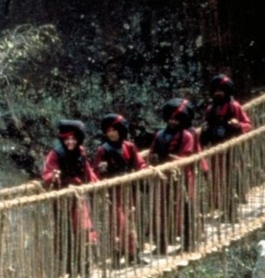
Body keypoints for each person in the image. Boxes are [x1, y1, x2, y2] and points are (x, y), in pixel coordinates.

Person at [41, 119, 99, 278]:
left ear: (78, 139)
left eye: (73, 138)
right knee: (66, 235)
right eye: (66, 139)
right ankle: (72, 272)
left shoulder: (80, 151)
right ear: (62, 140)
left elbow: (87, 170)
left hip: (79, 199)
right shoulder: (56, 154)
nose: (70, 142)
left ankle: (86, 270)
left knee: (84, 232)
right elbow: (47, 173)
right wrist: (53, 176)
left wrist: (97, 184)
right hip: (63, 200)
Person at [92, 113, 148, 266]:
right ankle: (126, 253)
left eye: (114, 130)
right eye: (109, 131)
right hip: (113, 191)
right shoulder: (103, 150)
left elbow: (140, 163)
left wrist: (144, 171)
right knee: (120, 223)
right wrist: (101, 171)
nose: (111, 133)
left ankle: (128, 254)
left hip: (129, 189)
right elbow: (94, 172)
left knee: (130, 220)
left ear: (120, 130)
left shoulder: (129, 146)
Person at [148, 98, 200, 254]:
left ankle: (188, 242)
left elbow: (188, 155)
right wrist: (153, 159)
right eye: (170, 118)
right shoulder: (159, 135)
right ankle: (161, 244)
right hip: (163, 177)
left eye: (176, 119)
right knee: (161, 209)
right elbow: (151, 152)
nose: (173, 121)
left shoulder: (187, 136)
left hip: (182, 176)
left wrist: (175, 160)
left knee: (185, 208)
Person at [199, 74, 252, 221]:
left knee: (230, 179)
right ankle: (223, 208)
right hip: (216, 151)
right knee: (217, 179)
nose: (218, 93)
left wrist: (238, 125)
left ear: (227, 91)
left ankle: (231, 211)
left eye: (222, 90)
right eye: (216, 90)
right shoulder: (211, 109)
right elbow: (206, 128)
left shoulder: (234, 107)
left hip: (231, 150)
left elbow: (248, 125)